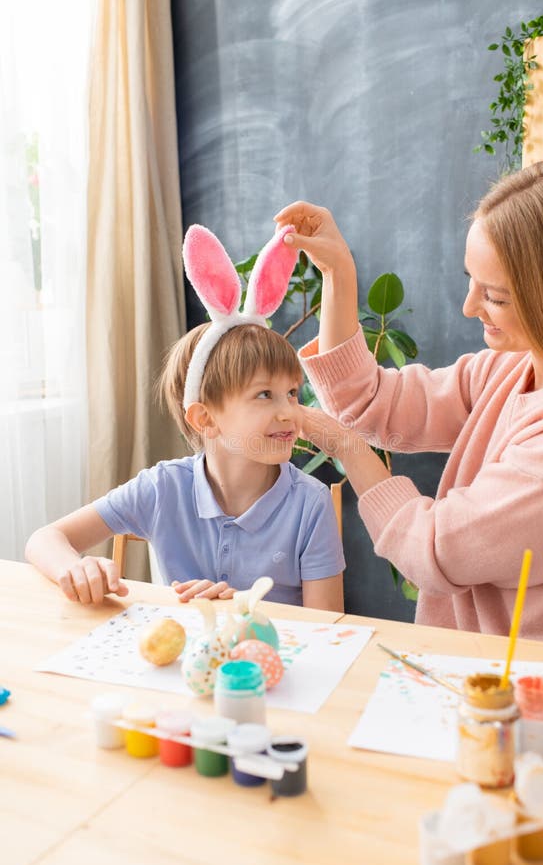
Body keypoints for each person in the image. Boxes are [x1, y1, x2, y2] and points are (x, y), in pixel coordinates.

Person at [274, 159, 543, 648]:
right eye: (472, 280)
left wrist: (345, 447)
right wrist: (338, 270)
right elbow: (368, 400)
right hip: (469, 672)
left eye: (495, 296)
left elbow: (432, 549)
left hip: (534, 701)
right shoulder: (513, 369)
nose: (469, 307)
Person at [25, 225, 345, 610]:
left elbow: (327, 630)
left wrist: (239, 607)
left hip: (271, 666)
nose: (289, 412)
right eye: (265, 394)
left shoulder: (310, 504)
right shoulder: (163, 488)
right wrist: (76, 569)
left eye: (292, 393)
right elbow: (44, 539)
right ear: (205, 419)